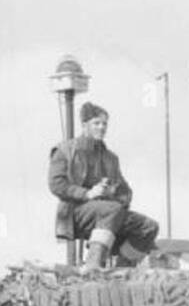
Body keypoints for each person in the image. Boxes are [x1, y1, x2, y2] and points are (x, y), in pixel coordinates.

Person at [49, 102, 159, 270]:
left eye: (105, 124)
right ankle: (93, 265)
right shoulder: (64, 150)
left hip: (109, 212)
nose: (102, 127)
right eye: (97, 123)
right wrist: (87, 194)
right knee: (111, 209)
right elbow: (56, 184)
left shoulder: (110, 158)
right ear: (85, 125)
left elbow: (126, 193)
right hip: (75, 211)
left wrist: (112, 192)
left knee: (149, 227)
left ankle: (122, 268)